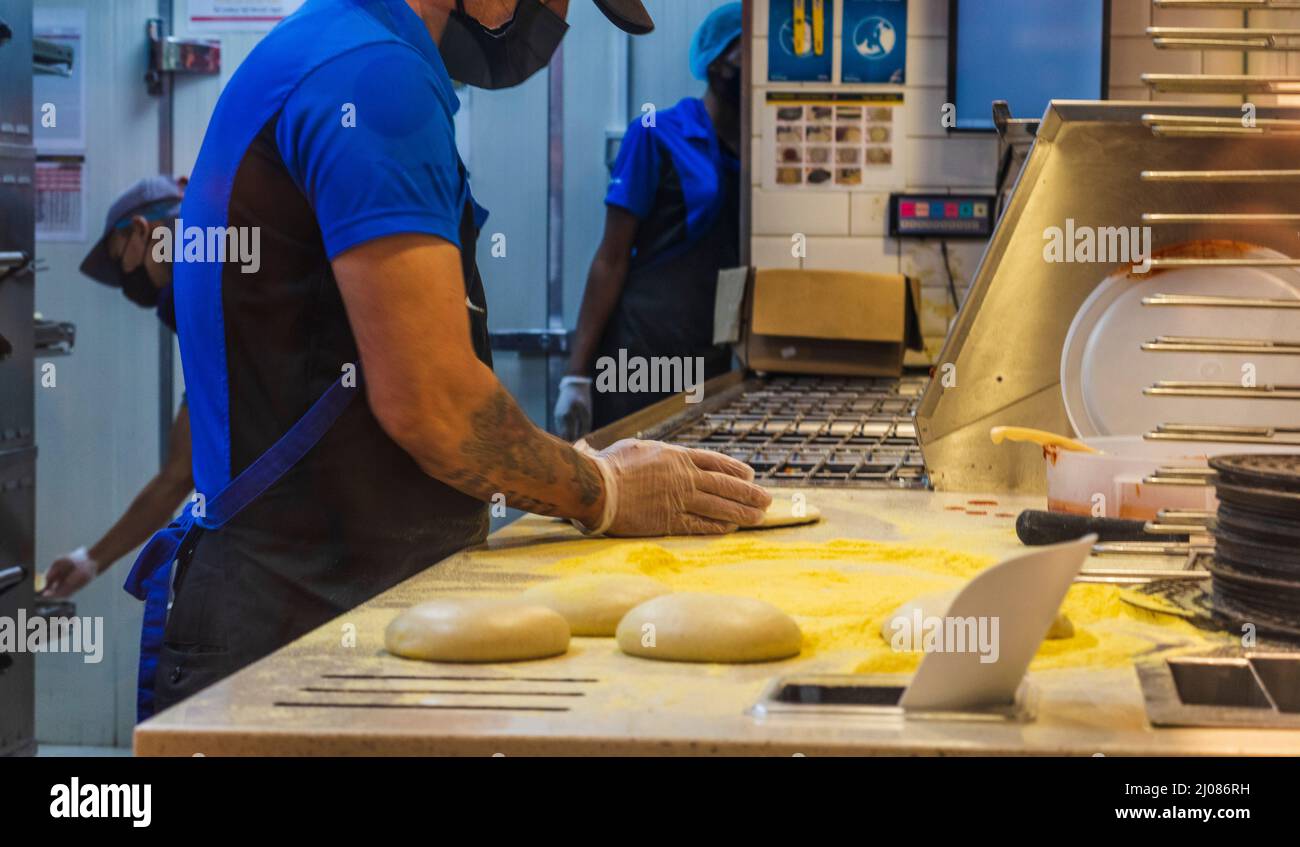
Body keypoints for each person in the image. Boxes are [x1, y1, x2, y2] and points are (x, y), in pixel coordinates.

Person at [125, 0, 771, 721]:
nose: (554, 20)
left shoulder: (338, 48)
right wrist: (605, 490)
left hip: (327, 595)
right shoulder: (375, 79)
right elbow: (432, 403)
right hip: (300, 624)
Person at [556, 3, 743, 439]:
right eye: (746, 52)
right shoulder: (658, 131)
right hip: (640, 353)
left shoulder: (763, 150)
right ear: (717, 62)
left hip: (707, 354)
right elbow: (611, 256)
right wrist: (577, 375)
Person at [44, 176, 191, 599]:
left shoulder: (216, 295)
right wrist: (89, 561)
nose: (129, 281)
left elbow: (179, 474)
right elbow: (180, 473)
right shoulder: (211, 297)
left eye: (120, 259)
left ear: (142, 231)